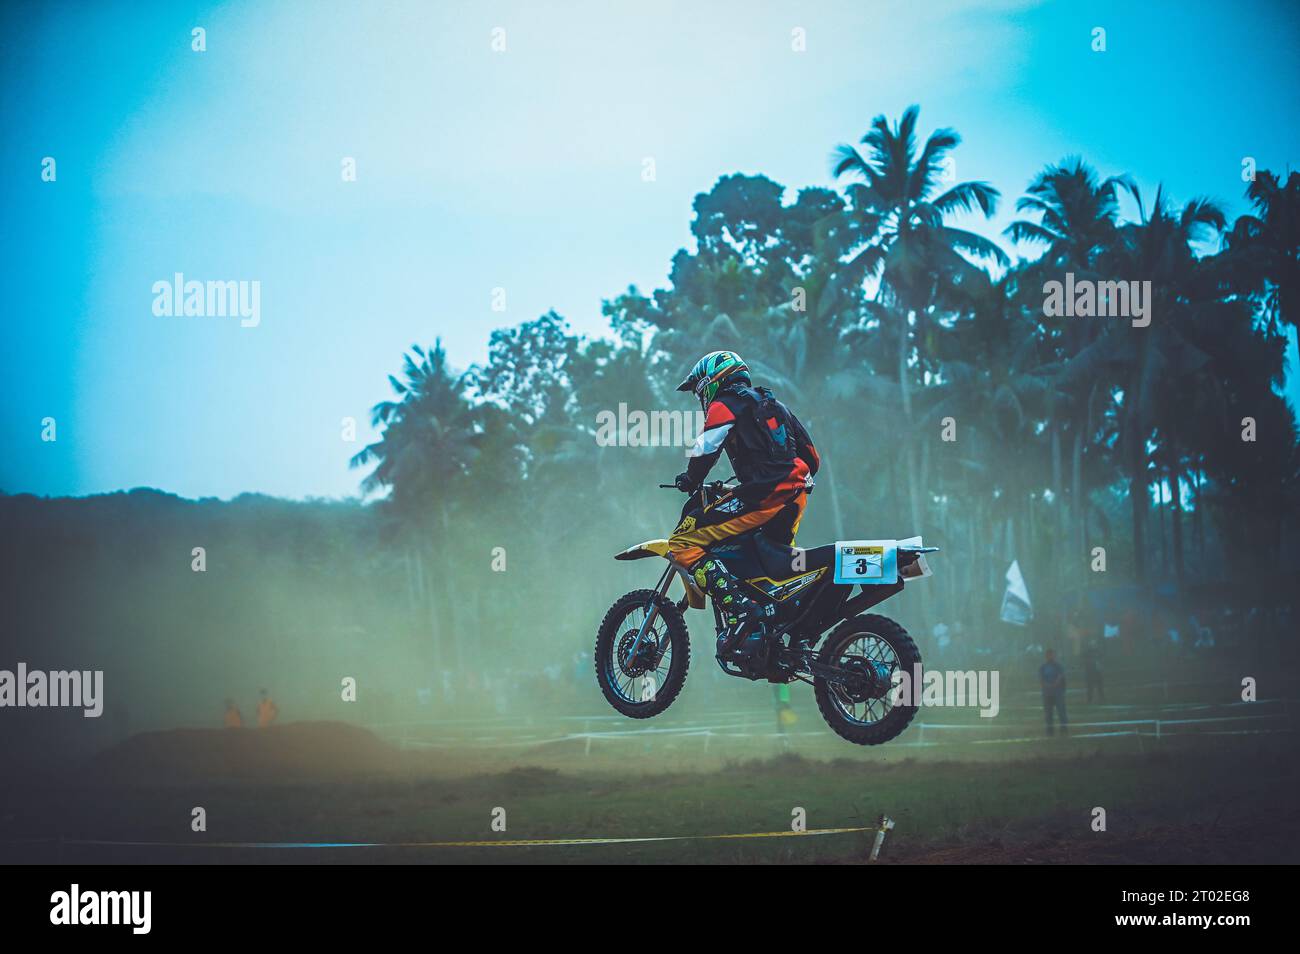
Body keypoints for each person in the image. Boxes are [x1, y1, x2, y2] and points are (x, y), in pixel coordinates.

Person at [667, 351, 819, 661]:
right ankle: (790, 634)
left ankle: (739, 613)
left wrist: (691, 478)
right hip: (795, 496)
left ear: (712, 382)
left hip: (763, 496)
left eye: (700, 390)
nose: (701, 398)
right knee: (774, 565)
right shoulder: (778, 406)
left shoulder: (726, 403)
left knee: (683, 541)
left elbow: (708, 446)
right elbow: (812, 459)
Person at [1039, 649, 1067, 736]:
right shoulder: (1042, 667)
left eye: (1052, 655)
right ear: (1046, 656)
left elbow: (1060, 676)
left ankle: (1064, 729)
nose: (1050, 657)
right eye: (1049, 655)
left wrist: (1054, 684)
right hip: (1047, 694)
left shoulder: (1058, 666)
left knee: (1061, 712)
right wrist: (1047, 685)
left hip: (1057, 693)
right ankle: (1050, 731)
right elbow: (1041, 679)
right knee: (1048, 713)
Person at [1082, 634, 1104, 703]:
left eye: (1094, 644)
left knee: (1100, 686)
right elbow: (1084, 661)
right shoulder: (1087, 652)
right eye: (1092, 644)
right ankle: (1089, 699)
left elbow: (1102, 659)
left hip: (1098, 672)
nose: (1093, 645)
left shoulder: (1098, 651)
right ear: (1090, 645)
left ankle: (1102, 699)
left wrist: (1100, 665)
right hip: (1090, 672)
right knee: (1090, 687)